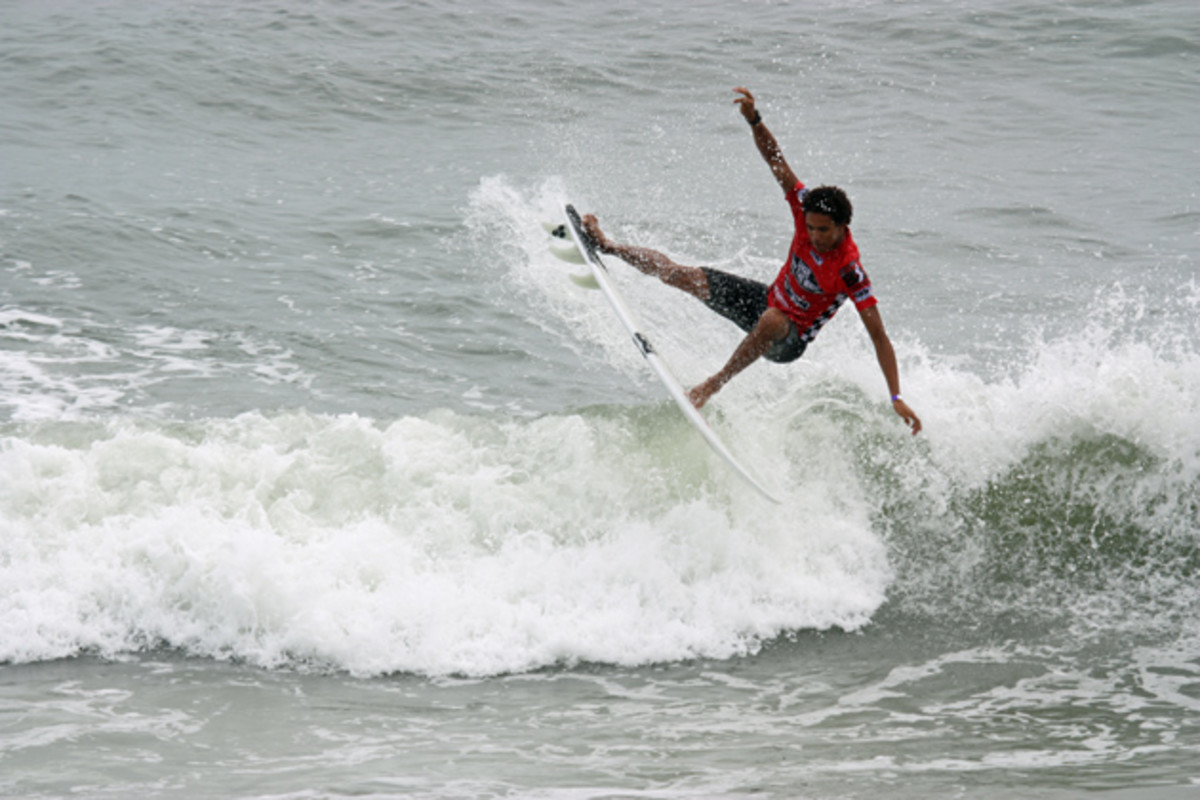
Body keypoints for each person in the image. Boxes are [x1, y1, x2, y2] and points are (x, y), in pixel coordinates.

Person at [581, 86, 922, 435]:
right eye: (811, 229)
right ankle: (608, 246)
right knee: (681, 274)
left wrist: (895, 395)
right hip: (766, 303)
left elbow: (879, 336)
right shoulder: (805, 207)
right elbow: (776, 161)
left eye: (823, 231)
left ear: (842, 227)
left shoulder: (851, 271)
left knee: (774, 319)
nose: (815, 237)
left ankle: (711, 386)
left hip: (789, 339)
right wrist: (755, 120)